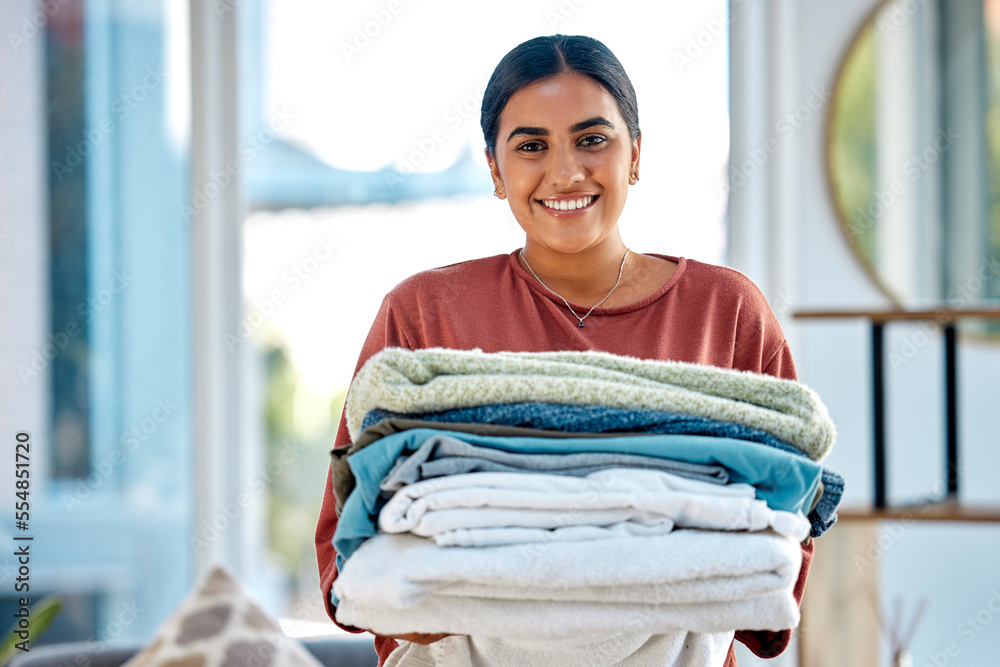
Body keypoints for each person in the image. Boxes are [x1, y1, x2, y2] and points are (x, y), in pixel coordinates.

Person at [315, 34, 812, 666]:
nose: (566, 171)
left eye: (592, 138)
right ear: (496, 169)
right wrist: (410, 597)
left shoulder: (725, 311)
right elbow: (344, 537)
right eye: (530, 146)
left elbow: (786, 516)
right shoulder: (423, 313)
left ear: (636, 153)